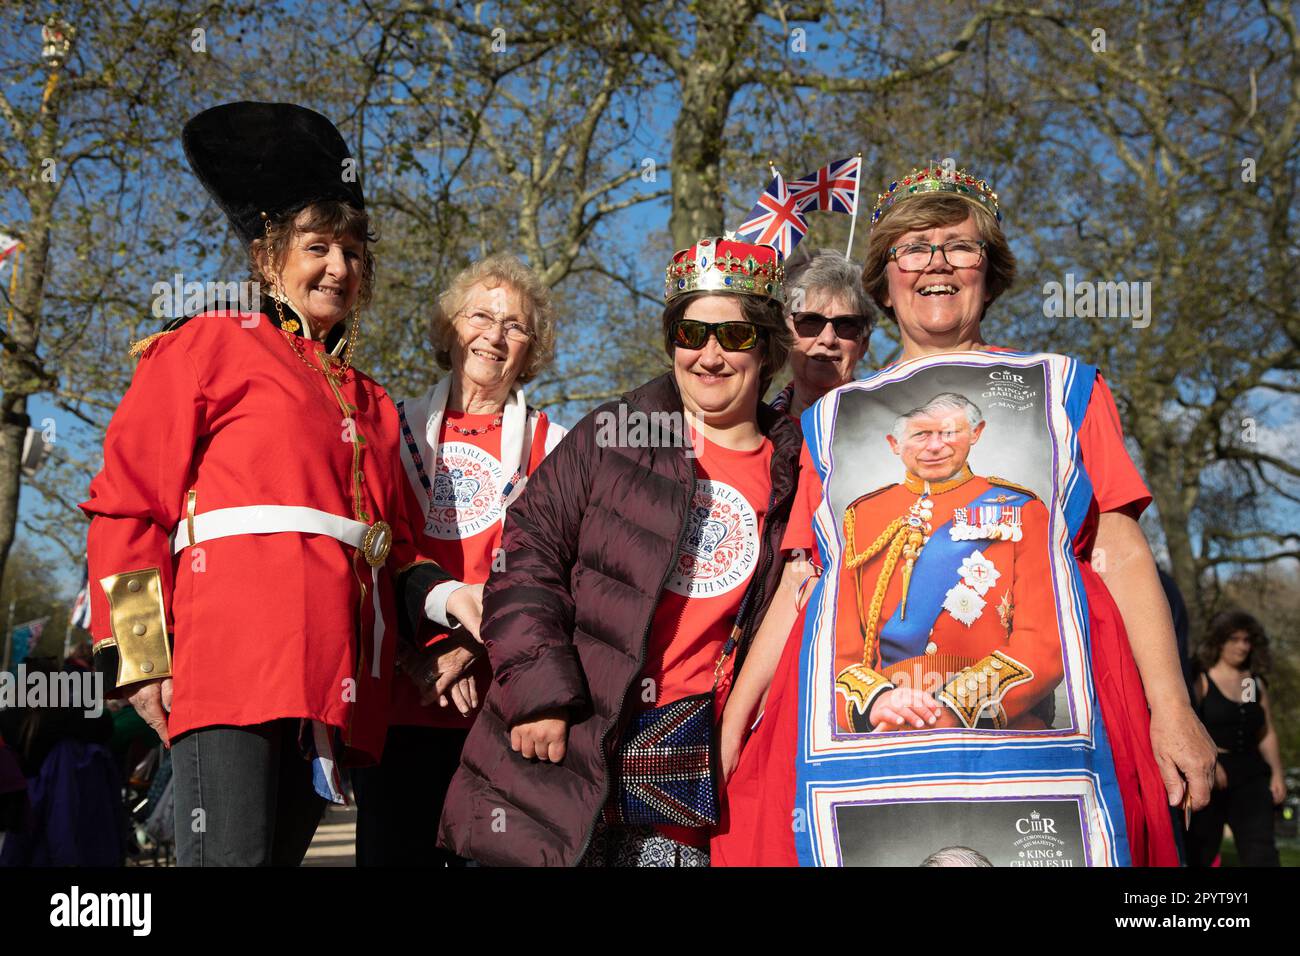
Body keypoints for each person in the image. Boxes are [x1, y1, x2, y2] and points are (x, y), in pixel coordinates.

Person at [714, 163, 1217, 867]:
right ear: (885, 278)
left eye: (959, 245)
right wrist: (736, 719)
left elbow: (1124, 553)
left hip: (1043, 736)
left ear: (991, 268)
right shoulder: (834, 419)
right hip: (863, 737)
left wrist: (1175, 709)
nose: (937, 265)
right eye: (914, 248)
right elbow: (804, 580)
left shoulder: (1066, 388)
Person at [81, 101, 452, 867]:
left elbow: (400, 550)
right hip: (228, 669)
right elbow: (128, 504)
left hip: (336, 683)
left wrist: (442, 634)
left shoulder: (374, 401)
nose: (340, 268)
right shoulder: (203, 346)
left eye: (353, 252)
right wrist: (140, 657)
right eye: (317, 247)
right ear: (266, 256)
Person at [438, 236, 801, 866]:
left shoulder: (792, 469)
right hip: (566, 732)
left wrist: (739, 726)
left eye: (735, 337)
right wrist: (540, 694)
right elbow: (525, 560)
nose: (710, 355)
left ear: (766, 350)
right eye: (692, 333)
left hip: (688, 757)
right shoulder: (614, 433)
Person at [352, 253, 565, 866]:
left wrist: (478, 643)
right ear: (450, 329)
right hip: (401, 705)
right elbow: (372, 552)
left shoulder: (557, 447)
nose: (495, 335)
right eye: (480, 315)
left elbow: (559, 572)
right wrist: (415, 659)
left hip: (503, 712)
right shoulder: (386, 432)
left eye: (516, 326)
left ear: (532, 349)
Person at [835, 392, 1060, 733]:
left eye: (949, 433)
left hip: (998, 729)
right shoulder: (862, 517)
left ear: (976, 433)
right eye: (921, 435)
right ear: (895, 443)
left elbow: (1046, 638)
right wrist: (879, 702)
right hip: (889, 726)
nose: (935, 446)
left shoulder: (1022, 509)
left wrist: (955, 707)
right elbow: (838, 642)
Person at [1186, 610, 1284, 866]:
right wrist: (1210, 762)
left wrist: (1277, 774)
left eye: (1247, 640)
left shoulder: (1250, 683)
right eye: (1235, 639)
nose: (1242, 646)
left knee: (1261, 853)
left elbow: (1264, 731)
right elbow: (1189, 725)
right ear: (1219, 641)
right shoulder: (1202, 679)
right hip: (1211, 774)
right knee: (1200, 850)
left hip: (1250, 775)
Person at [770, 248, 873, 418]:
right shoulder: (755, 429)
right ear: (785, 334)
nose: (828, 339)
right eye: (810, 322)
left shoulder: (888, 433)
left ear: (864, 344)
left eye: (846, 325)